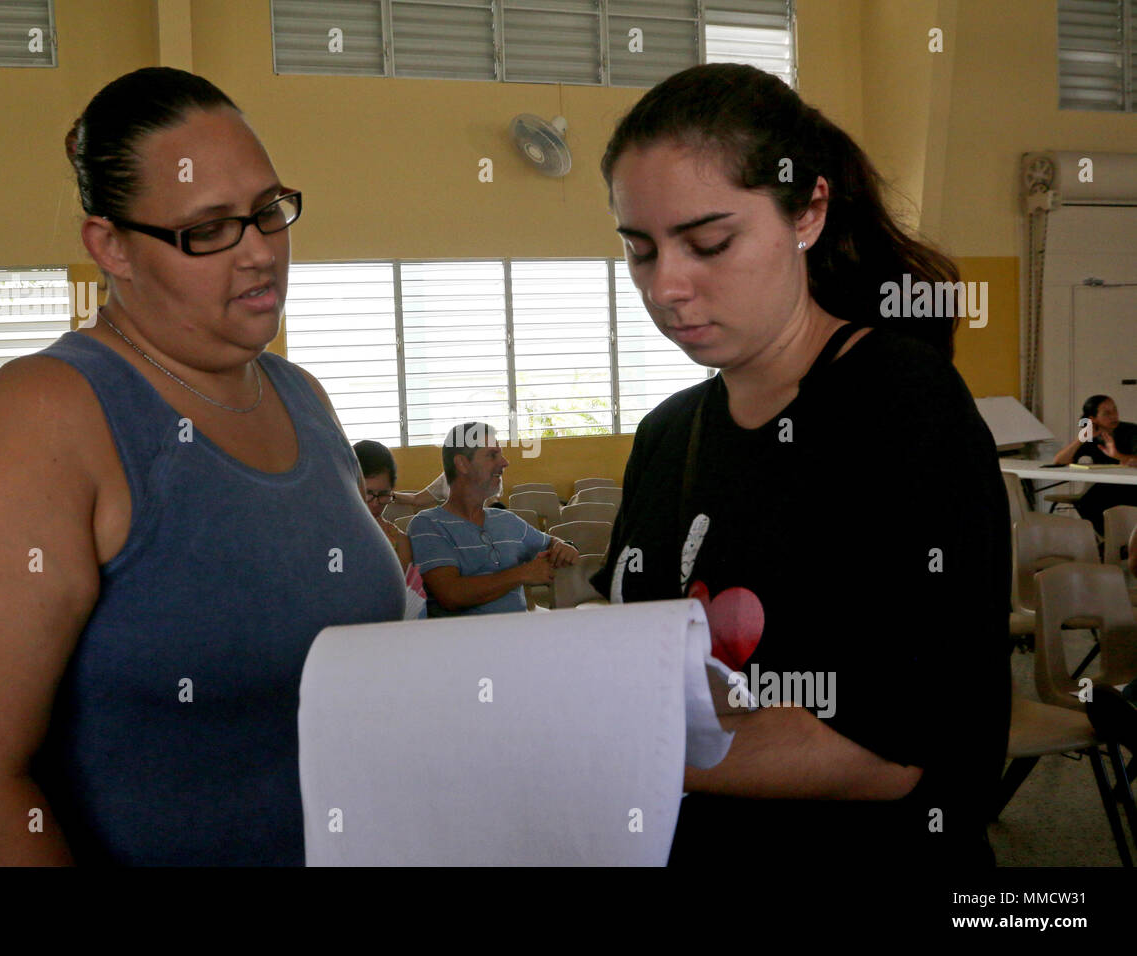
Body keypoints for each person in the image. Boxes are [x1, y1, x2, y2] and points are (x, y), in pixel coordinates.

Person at [0, 67, 405, 866]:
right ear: (111, 247)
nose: (261, 253)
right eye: (208, 230)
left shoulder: (301, 396)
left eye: (269, 211)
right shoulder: (44, 415)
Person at [591, 63, 1009, 868]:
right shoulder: (668, 434)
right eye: (639, 251)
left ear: (808, 212)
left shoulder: (901, 403)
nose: (666, 286)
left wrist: (609, 758)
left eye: (709, 242)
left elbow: (893, 745)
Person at [409, 422, 577, 617]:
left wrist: (564, 546)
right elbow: (451, 595)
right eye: (492, 455)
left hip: (517, 637)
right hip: (463, 643)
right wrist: (523, 573)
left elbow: (551, 544)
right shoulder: (428, 525)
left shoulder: (506, 520)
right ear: (462, 464)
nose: (504, 462)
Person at [353, 439, 426, 619]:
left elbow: (399, 600)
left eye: (384, 495)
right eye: (368, 494)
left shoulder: (399, 541)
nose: (376, 503)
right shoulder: (329, 532)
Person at [1050, 394, 1137, 534]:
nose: (1114, 416)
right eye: (1107, 413)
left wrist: (1117, 455)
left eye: (1115, 410)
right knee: (1086, 503)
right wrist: (1080, 439)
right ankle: (1108, 539)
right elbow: (1059, 460)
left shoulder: (1130, 431)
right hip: (1107, 484)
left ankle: (1123, 540)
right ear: (1093, 418)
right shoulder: (1093, 436)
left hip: (1131, 484)